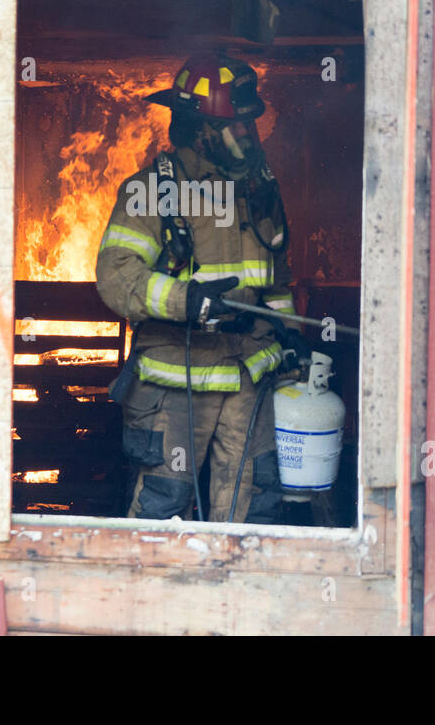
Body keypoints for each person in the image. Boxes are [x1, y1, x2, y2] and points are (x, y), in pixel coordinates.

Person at [95, 53, 311, 523]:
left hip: (250, 382)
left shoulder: (257, 191)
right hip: (177, 385)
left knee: (254, 516)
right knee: (162, 511)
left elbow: (275, 279)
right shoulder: (151, 190)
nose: (248, 136)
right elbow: (116, 274)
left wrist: (290, 339)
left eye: (249, 125)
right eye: (236, 125)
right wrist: (184, 300)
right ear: (199, 129)